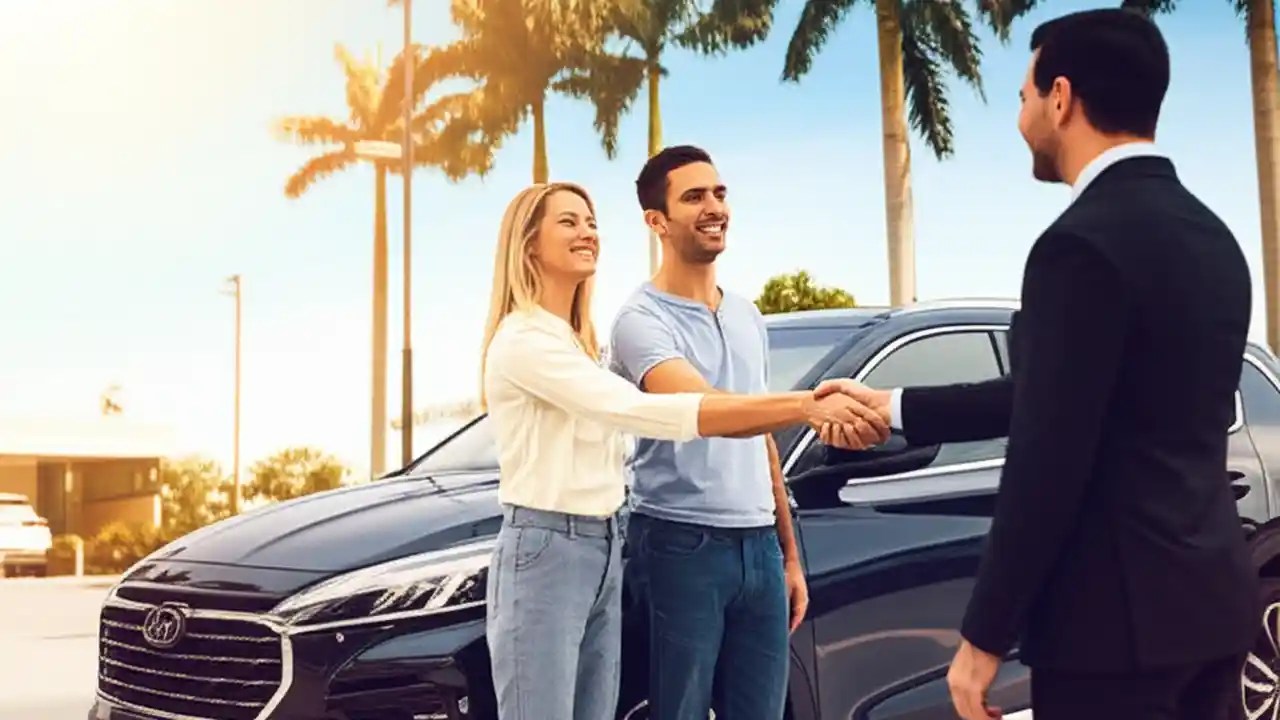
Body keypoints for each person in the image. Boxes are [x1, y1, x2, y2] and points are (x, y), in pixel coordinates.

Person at [818, 9, 1258, 720]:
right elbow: (1059, 397)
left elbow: (1047, 457)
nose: (1021, 118)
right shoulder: (1214, 238)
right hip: (1211, 607)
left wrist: (985, 635)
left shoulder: (1077, 246)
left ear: (1061, 96)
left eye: (1023, 98)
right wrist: (894, 407)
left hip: (1113, 629)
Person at [479, 180, 888, 720]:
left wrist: (786, 548)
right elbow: (635, 410)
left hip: (602, 544)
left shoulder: (577, 343)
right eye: (568, 222)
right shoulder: (524, 340)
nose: (588, 232)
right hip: (547, 548)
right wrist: (805, 406)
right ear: (528, 244)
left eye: (592, 222)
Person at [608, 145, 805, 720]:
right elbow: (704, 408)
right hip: (679, 546)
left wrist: (787, 556)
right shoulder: (639, 321)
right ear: (657, 221)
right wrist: (808, 406)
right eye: (694, 197)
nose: (713, 206)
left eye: (719, 193)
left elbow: (760, 433)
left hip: (758, 551)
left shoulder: (747, 315)